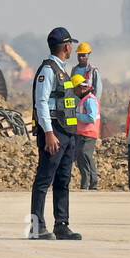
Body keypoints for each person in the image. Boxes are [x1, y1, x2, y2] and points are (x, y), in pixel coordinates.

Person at [29, 26, 82, 240]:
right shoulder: (48, 70)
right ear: (67, 47)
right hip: (54, 132)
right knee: (44, 179)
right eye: (71, 45)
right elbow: (41, 103)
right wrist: (49, 133)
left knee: (63, 180)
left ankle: (61, 224)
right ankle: (36, 227)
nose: (72, 49)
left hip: (67, 133)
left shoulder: (61, 70)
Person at [72, 73, 101, 190]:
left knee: (85, 155)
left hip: (89, 135)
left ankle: (93, 183)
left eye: (75, 89)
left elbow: (91, 117)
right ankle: (85, 184)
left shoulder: (89, 100)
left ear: (81, 88)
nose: (74, 92)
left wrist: (76, 115)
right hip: (82, 134)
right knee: (81, 158)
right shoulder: (83, 100)